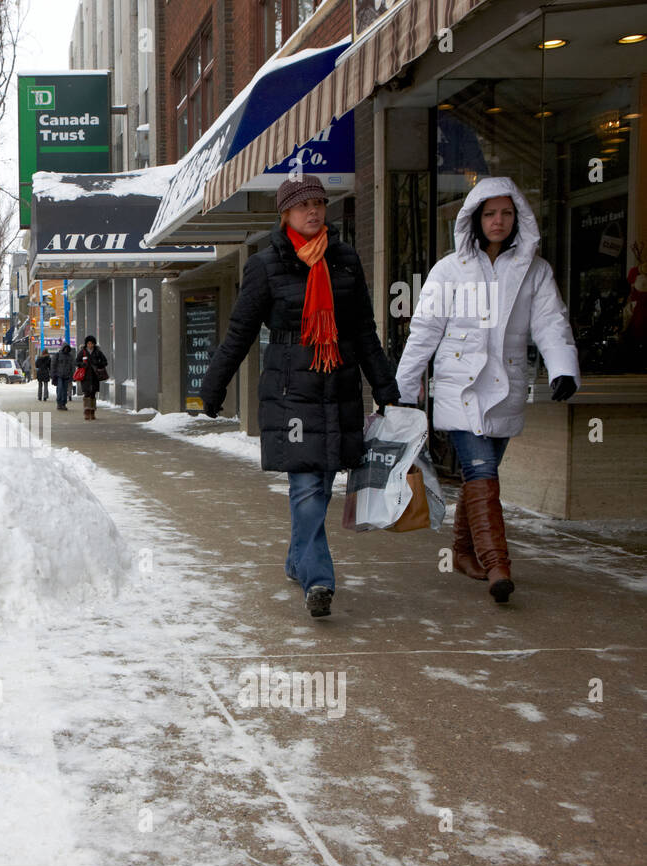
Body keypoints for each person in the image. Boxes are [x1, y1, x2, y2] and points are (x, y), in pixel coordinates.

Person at [200, 174, 400, 619]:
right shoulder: (265, 265)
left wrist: (386, 390)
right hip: (290, 394)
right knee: (307, 487)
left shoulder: (345, 260)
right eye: (303, 204)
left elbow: (365, 332)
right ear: (285, 213)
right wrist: (213, 388)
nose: (313, 211)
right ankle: (319, 579)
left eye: (319, 203)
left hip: (338, 389)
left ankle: (297, 559)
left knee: (322, 487)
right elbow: (240, 333)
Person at [395, 176, 579, 603]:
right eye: (490, 213)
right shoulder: (449, 269)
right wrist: (405, 386)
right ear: (475, 219)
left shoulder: (535, 270)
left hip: (507, 389)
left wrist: (562, 368)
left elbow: (551, 322)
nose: (498, 221)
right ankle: (498, 566)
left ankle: (462, 552)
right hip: (460, 389)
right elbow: (424, 331)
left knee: (482, 476)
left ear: (518, 218)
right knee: (482, 472)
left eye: (506, 213)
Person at [76, 335, 108, 420]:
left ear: (94, 344)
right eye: (88, 343)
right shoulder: (82, 352)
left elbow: (105, 361)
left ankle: (92, 412)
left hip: (95, 376)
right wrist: (82, 364)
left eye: (92, 343)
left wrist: (98, 364)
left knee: (93, 394)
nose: (90, 345)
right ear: (86, 344)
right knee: (87, 394)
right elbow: (76, 362)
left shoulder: (98, 352)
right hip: (85, 376)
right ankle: (87, 411)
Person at [53, 343, 75, 409]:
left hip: (67, 375)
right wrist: (53, 374)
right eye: (65, 348)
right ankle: (59, 403)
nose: (66, 349)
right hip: (59, 375)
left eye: (67, 348)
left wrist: (72, 375)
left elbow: (72, 366)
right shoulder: (58, 355)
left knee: (65, 390)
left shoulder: (70, 356)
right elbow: (53, 365)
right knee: (60, 389)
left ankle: (63, 403)